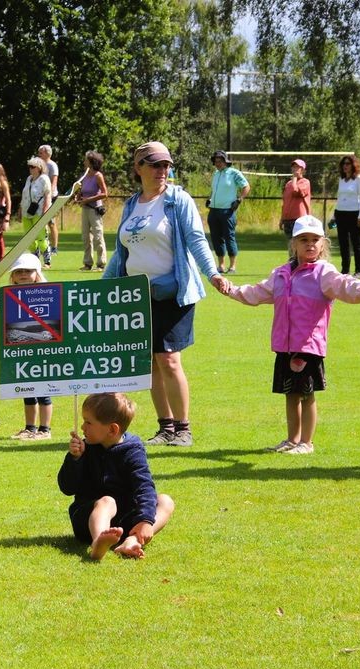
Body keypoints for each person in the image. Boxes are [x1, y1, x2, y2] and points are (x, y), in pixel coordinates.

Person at [104, 141, 230, 446]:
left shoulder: (178, 200)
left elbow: (196, 240)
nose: (163, 170)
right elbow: (121, 253)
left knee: (169, 359)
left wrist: (212, 272)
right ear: (139, 168)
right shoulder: (132, 204)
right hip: (137, 296)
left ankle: (183, 428)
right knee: (149, 363)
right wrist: (103, 284)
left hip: (174, 293)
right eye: (155, 164)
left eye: (166, 165)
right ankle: (166, 427)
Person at [223, 216, 360, 454]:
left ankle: (307, 442)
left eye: (315, 240)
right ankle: (292, 440)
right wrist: (231, 290)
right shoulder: (281, 274)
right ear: (293, 243)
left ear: (323, 245)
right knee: (290, 394)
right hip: (285, 345)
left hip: (308, 346)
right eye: (304, 239)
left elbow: (343, 284)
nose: (310, 244)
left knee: (307, 395)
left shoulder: (323, 272)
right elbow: (257, 292)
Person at [58, 393, 174, 560]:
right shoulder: (85, 448)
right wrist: (75, 459)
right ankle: (99, 541)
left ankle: (132, 540)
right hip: (87, 519)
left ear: (112, 429)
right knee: (107, 501)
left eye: (88, 422)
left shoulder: (133, 450)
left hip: (125, 519)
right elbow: (67, 487)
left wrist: (146, 520)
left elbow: (144, 487)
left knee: (165, 501)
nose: (83, 427)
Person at [0, 254, 53, 441]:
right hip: (21, 350)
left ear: (37, 273)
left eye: (28, 271)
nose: (23, 274)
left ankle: (45, 429)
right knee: (27, 390)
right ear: (12, 276)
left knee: (43, 390)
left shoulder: (47, 292)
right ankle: (30, 428)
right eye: (18, 271)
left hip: (43, 350)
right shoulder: (9, 295)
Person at [207, 150, 250, 273]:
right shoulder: (215, 174)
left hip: (227, 211)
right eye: (216, 162)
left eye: (220, 161)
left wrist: (239, 199)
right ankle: (221, 265)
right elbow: (214, 191)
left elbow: (246, 186)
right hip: (214, 210)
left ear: (226, 161)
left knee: (229, 237)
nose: (218, 164)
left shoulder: (234, 173)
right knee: (216, 238)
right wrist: (210, 199)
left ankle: (232, 266)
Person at [74, 150, 109, 271]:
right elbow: (81, 191)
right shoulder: (84, 176)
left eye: (86, 160)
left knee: (98, 236)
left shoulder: (98, 176)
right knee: (86, 237)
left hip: (95, 210)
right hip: (85, 209)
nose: (84, 162)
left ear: (91, 162)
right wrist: (78, 197)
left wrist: (88, 200)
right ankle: (87, 263)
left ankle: (101, 263)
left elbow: (105, 193)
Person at [334, 155, 360, 277]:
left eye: (348, 163)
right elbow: (339, 198)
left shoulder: (359, 179)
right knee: (343, 243)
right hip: (340, 213)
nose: (345, 166)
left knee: (356, 243)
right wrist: (334, 215)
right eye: (344, 164)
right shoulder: (341, 179)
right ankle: (345, 269)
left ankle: (359, 270)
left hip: (354, 213)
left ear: (353, 165)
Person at [20, 157, 52, 266]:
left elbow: (48, 195)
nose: (30, 169)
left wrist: (46, 211)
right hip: (26, 211)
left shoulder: (44, 178)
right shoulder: (29, 179)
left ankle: (47, 260)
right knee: (28, 237)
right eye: (29, 167)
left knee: (41, 236)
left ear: (39, 168)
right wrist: (20, 208)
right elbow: (24, 195)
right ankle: (35, 259)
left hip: (38, 212)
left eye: (32, 167)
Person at [37, 144, 60, 265]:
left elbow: (54, 181)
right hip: (41, 196)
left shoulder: (52, 165)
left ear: (47, 153)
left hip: (51, 196)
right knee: (41, 222)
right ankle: (44, 247)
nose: (39, 154)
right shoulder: (39, 165)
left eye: (41, 152)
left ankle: (54, 248)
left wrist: (49, 195)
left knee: (51, 222)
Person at [278, 158, 312, 237]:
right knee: (291, 245)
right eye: (293, 167)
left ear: (302, 170)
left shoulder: (305, 182)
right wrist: (282, 218)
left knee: (299, 244)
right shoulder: (288, 184)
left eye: (297, 167)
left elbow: (296, 192)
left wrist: (294, 179)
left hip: (300, 219)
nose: (294, 169)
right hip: (288, 219)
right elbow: (285, 202)